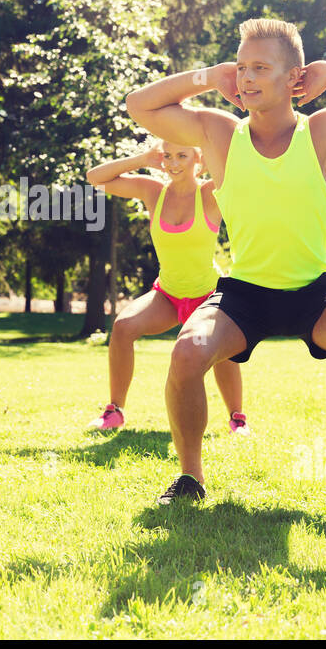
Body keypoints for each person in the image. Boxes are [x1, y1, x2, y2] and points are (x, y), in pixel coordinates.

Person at [126, 18, 326, 505]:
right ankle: (189, 478)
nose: (246, 78)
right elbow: (139, 105)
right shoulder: (218, 133)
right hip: (245, 292)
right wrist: (211, 74)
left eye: (260, 68)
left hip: (315, 289)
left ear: (295, 78)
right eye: (242, 67)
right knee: (186, 352)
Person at [84, 141, 246, 435]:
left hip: (209, 294)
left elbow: (245, 172)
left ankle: (237, 419)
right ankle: (114, 411)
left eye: (182, 155)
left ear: (198, 157)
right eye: (168, 155)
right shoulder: (152, 191)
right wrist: (143, 158)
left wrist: (211, 153)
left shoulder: (210, 193)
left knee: (222, 348)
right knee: (123, 327)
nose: (173, 163)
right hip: (168, 294)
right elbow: (95, 178)